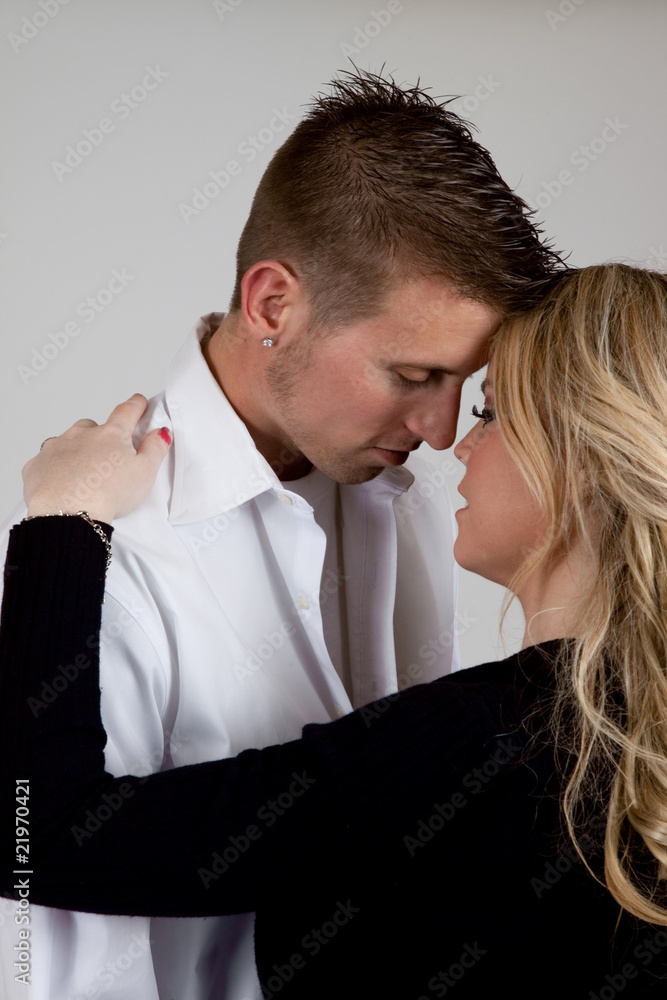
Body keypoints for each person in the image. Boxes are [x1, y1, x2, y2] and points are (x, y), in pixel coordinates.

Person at [0, 69, 561, 1000]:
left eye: (463, 384)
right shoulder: (99, 558)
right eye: (412, 372)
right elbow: (43, 892)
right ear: (271, 306)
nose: (441, 429)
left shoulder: (418, 503)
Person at [3, 263, 667, 999]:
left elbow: (40, 837)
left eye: (489, 412)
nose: (454, 443)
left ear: (582, 459)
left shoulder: (482, 739)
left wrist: (60, 525)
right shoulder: (625, 734)